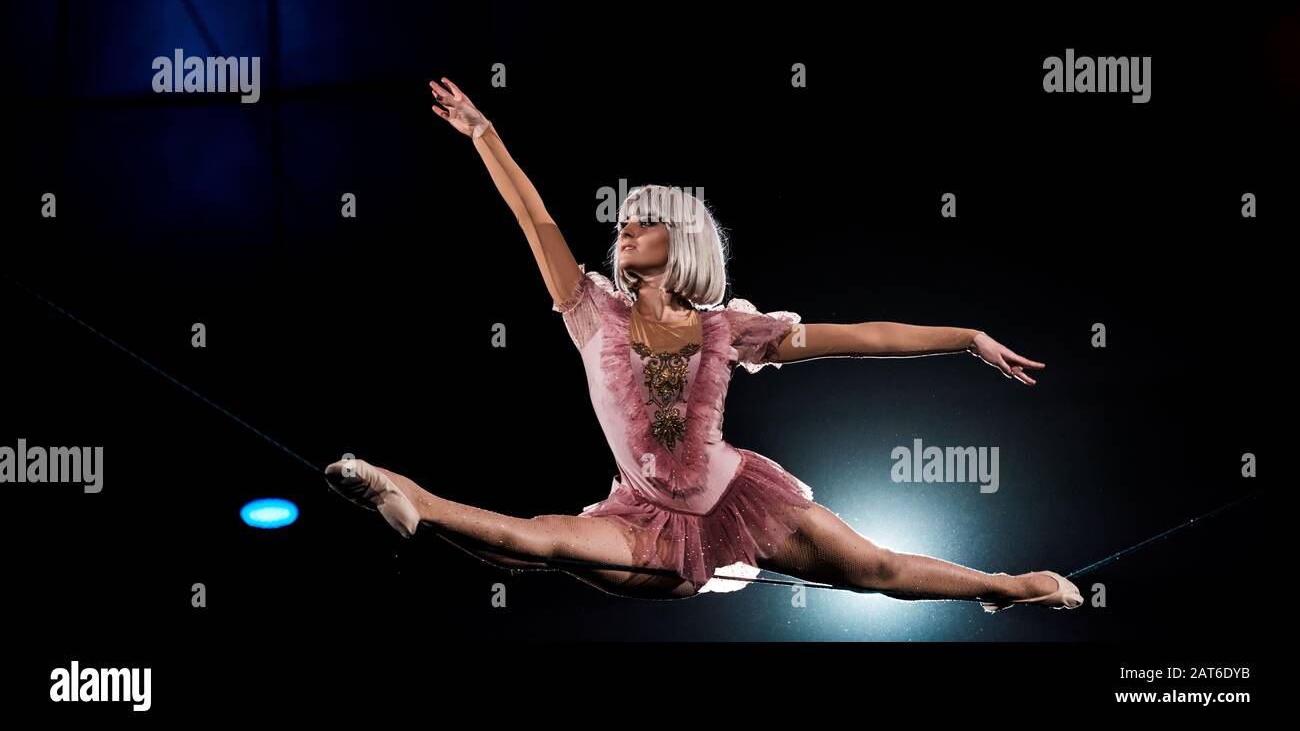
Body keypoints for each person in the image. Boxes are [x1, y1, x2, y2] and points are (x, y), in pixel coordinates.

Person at [323, 76, 1082, 611]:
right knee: (538, 545)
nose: (624, 226)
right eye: (621, 219)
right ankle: (411, 499)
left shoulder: (728, 327)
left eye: (643, 219)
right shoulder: (592, 311)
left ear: (681, 241)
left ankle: (1011, 587)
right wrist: (484, 133)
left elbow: (866, 335)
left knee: (876, 567)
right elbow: (535, 217)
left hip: (736, 498)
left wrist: (968, 337)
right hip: (644, 520)